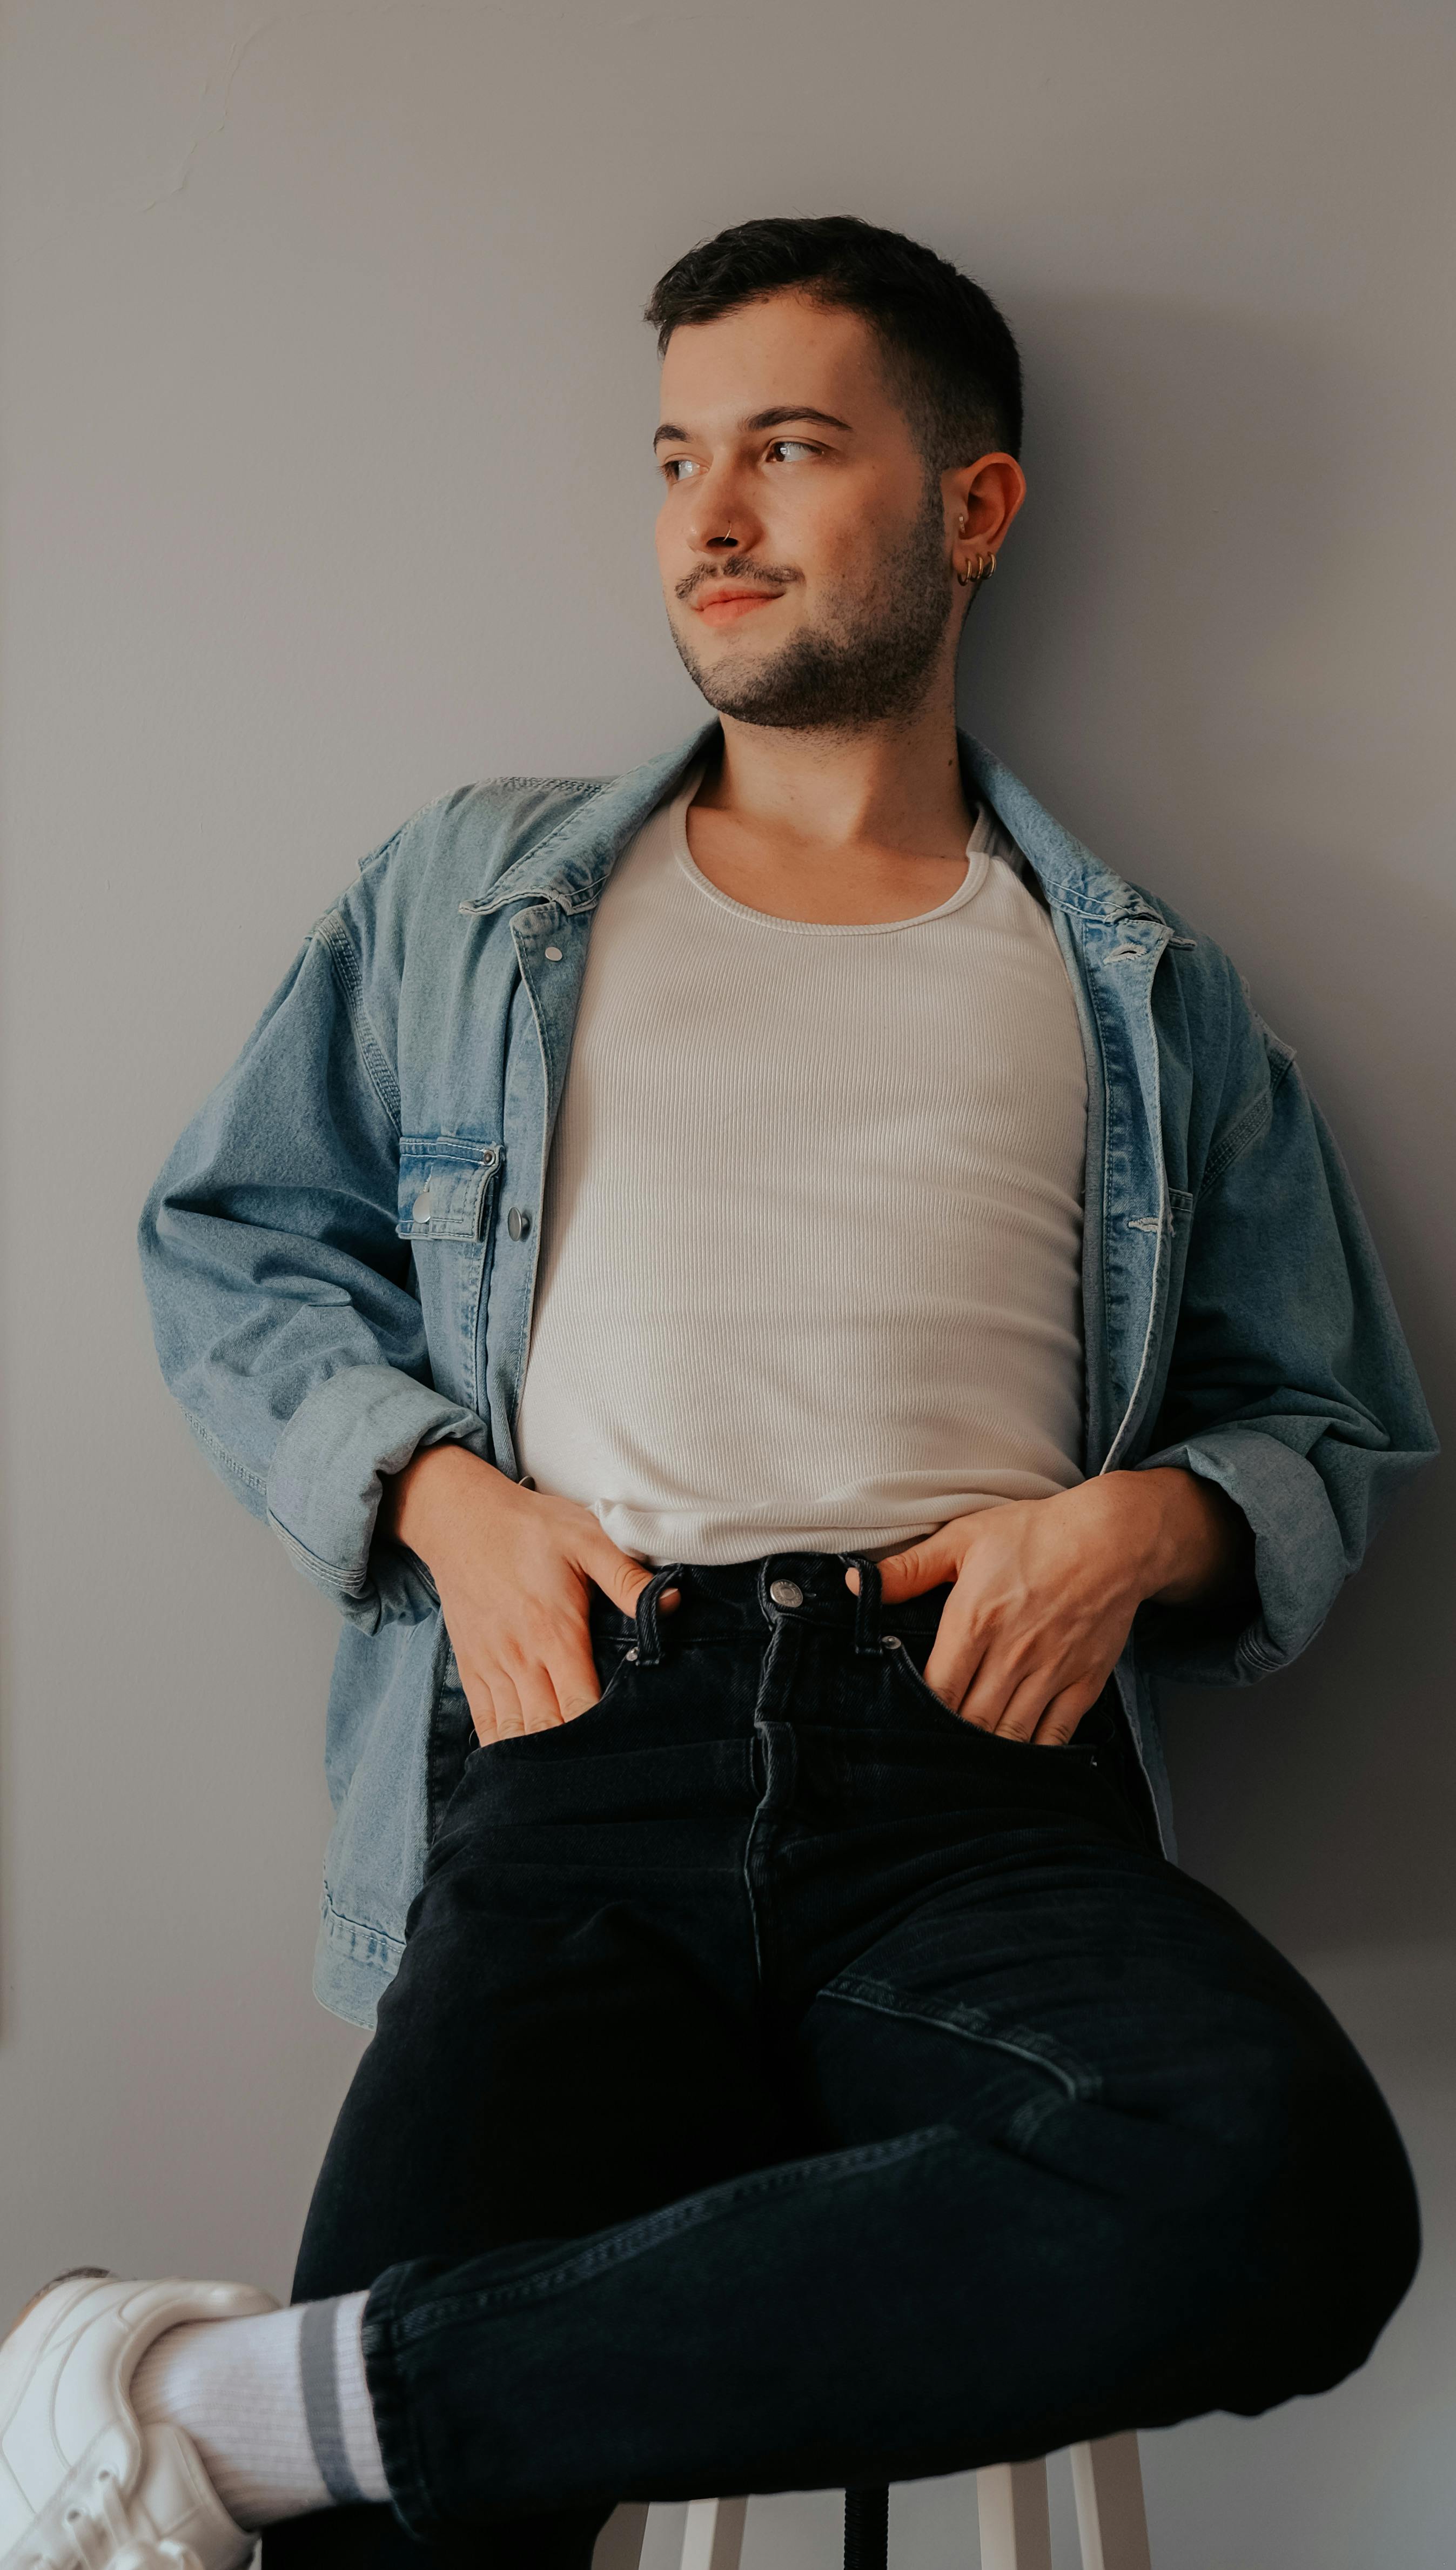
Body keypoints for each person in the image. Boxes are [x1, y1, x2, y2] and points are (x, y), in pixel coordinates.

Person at [1, 216, 1435, 2570]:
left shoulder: (1139, 990)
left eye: (785, 445)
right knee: (413, 2533)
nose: (709, 517)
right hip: (579, 1758)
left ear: (970, 510)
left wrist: (1137, 1530)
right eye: (675, 455)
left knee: (1274, 2185)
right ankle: (334, 2420)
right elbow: (232, 1244)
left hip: (971, 1781)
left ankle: (236, 2407)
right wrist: (437, 1496)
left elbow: (1328, 1412)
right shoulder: (471, 892)